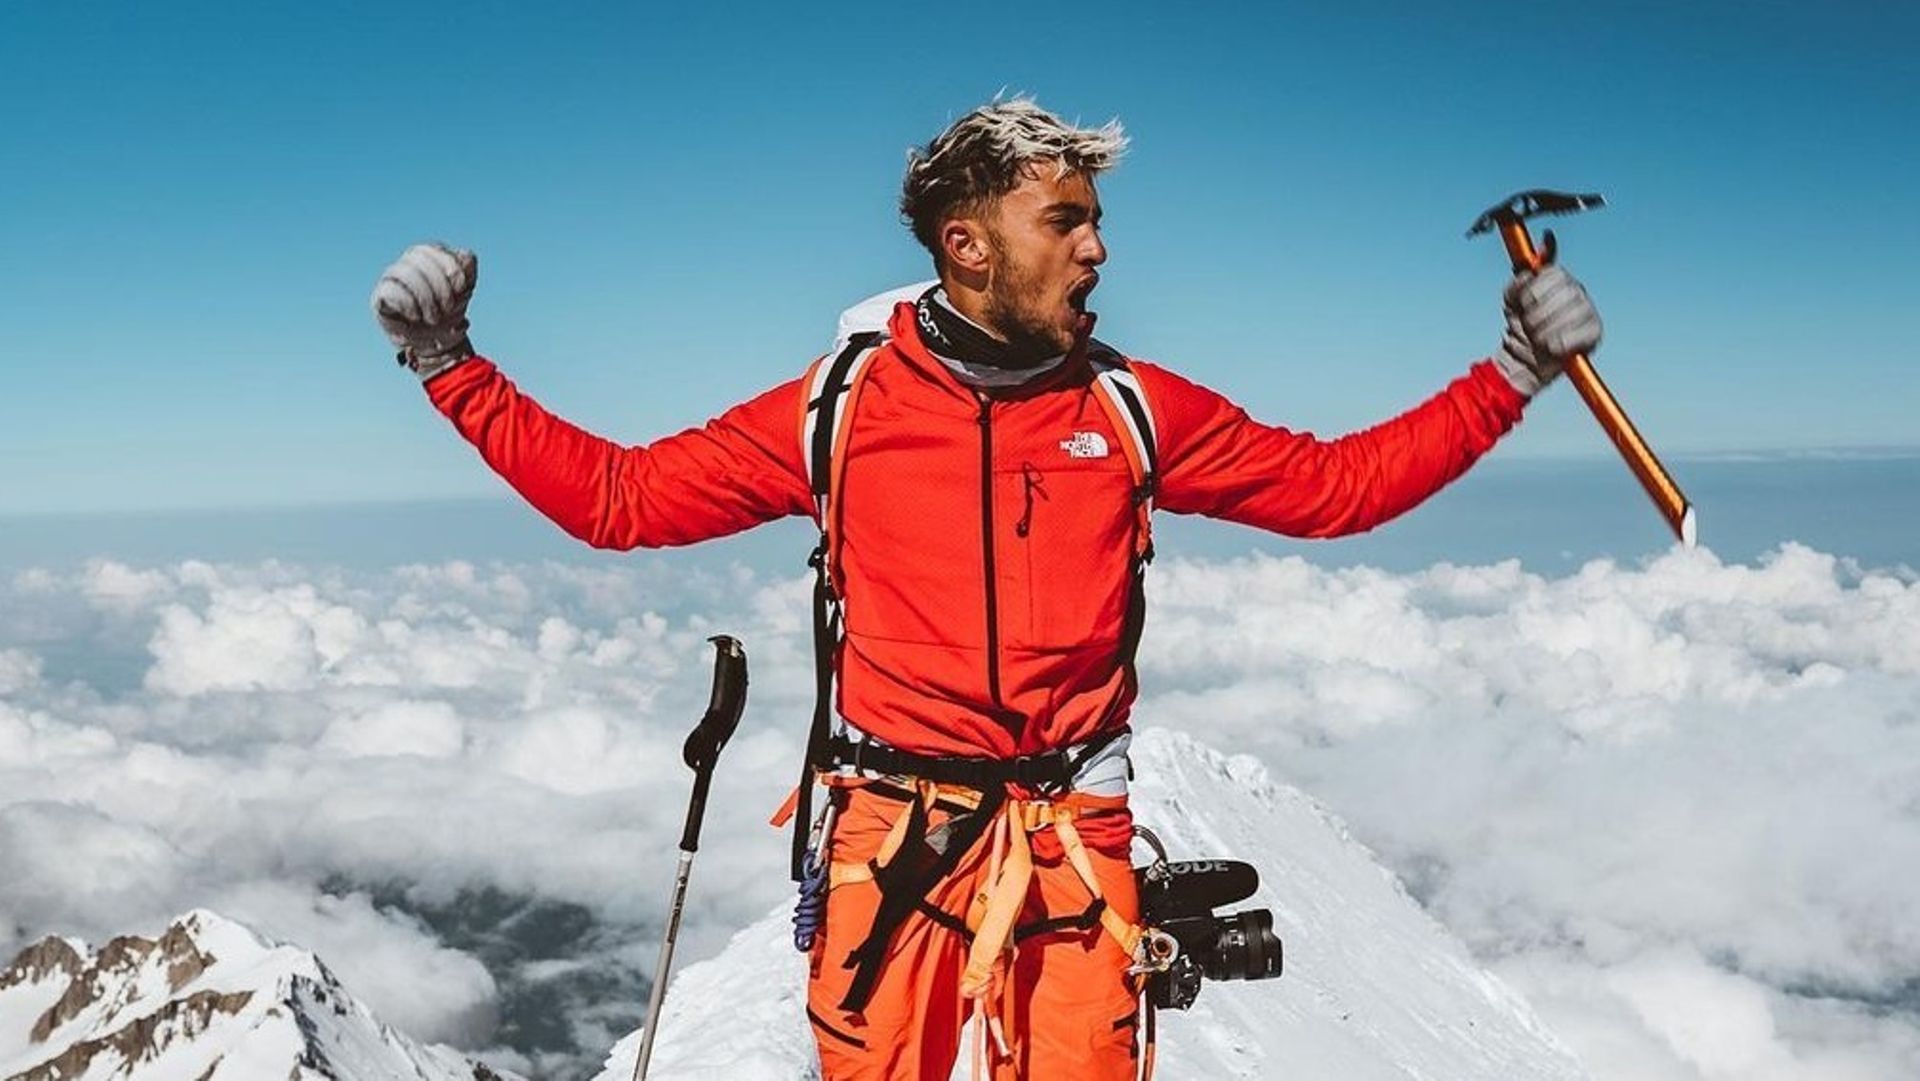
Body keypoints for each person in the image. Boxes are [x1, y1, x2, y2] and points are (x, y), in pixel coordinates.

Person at [371, 97, 1600, 1081]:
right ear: (968, 246)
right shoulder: (845, 405)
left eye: (1094, 219)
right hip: (894, 833)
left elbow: (1337, 488)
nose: (1099, 246)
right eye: (1065, 219)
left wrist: (1509, 372)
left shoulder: (1128, 407)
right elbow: (621, 499)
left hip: (1072, 834)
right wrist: (447, 364)